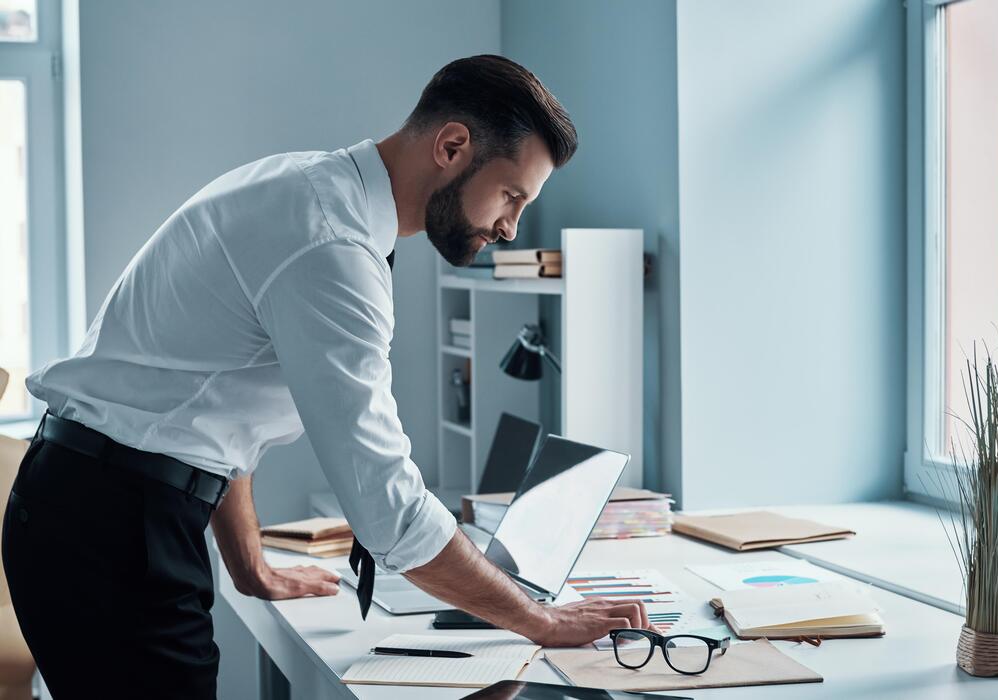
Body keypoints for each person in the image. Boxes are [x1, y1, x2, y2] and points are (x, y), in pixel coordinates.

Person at [2, 55, 649, 699]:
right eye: (511, 196)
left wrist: (249, 564)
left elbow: (218, 402)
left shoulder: (311, 189)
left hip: (101, 505)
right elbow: (386, 509)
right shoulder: (330, 243)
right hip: (111, 526)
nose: (509, 228)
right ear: (452, 146)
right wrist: (537, 619)